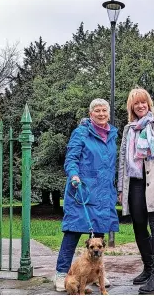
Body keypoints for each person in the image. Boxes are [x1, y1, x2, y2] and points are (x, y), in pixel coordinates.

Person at [53, 98, 119, 292]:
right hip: (82, 191)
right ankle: (60, 274)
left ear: (108, 113)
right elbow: (71, 158)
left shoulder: (113, 135)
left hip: (103, 193)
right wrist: (74, 174)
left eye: (104, 110)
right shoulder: (81, 133)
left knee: (98, 236)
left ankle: (98, 275)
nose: (101, 114)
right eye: (97, 111)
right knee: (72, 233)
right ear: (91, 114)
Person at [117, 88, 154, 294]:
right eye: (136, 104)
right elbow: (123, 160)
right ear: (131, 107)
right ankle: (149, 267)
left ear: (148, 103)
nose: (140, 106)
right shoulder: (129, 129)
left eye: (143, 102)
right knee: (139, 226)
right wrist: (120, 187)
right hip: (135, 182)